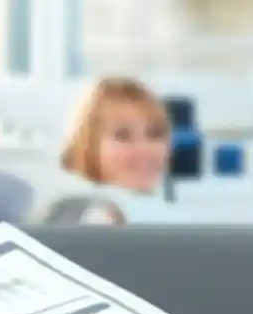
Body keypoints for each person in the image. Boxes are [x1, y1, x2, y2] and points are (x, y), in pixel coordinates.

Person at [51, 77, 172, 224]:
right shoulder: (97, 217)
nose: (144, 149)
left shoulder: (154, 213)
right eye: (123, 135)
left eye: (155, 134)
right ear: (89, 145)